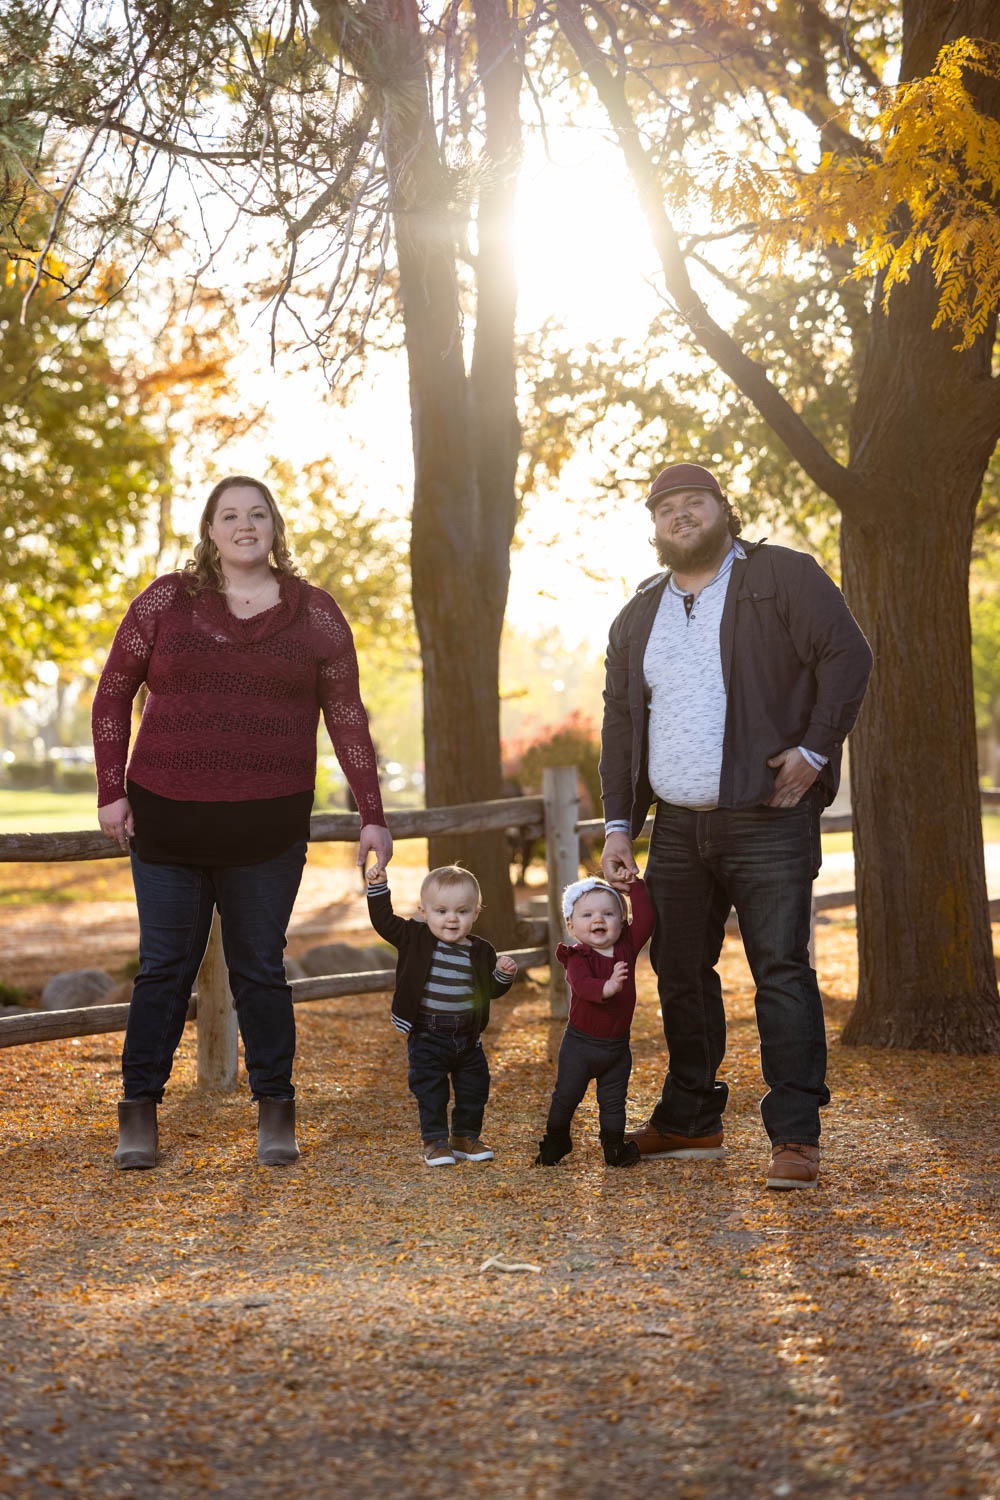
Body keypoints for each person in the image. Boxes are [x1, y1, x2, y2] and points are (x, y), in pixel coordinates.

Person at [93, 475, 392, 1170]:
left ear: (276, 528)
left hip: (267, 827)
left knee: (260, 968)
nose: (244, 524)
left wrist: (371, 814)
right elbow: (112, 695)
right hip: (166, 820)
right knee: (164, 969)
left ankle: (275, 1109)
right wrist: (112, 790)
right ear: (211, 530)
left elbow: (347, 718)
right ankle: (138, 1111)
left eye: (257, 513)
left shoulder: (314, 614)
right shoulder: (167, 600)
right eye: (230, 515)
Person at [600, 462, 872, 1189]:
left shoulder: (782, 577)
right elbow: (622, 724)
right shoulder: (638, 614)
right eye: (666, 509)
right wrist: (619, 826)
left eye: (695, 503)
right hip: (679, 831)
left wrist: (815, 750)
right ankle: (692, 1121)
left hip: (767, 818)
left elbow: (848, 655)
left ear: (725, 510)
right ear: (654, 526)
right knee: (680, 970)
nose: (681, 517)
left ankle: (795, 1137)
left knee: (780, 970)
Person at [365, 863, 517, 1167]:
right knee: (431, 1090)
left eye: (462, 911)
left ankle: (464, 1137)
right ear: (424, 912)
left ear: (475, 914)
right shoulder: (414, 937)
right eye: (441, 911)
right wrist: (378, 887)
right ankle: (435, 1142)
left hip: (468, 1038)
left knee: (475, 1088)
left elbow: (488, 992)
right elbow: (382, 921)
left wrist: (502, 975)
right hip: (427, 1034)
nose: (451, 918)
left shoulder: (481, 951)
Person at [534, 876, 655, 1169]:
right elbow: (583, 986)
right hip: (580, 1047)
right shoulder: (578, 957)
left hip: (617, 1048)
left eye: (608, 913)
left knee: (613, 1102)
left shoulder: (626, 945)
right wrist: (607, 988)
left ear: (622, 920)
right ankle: (556, 1139)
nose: (598, 919)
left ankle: (614, 1147)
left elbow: (647, 920)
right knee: (566, 1097)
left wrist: (634, 886)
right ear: (571, 925)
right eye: (587, 915)